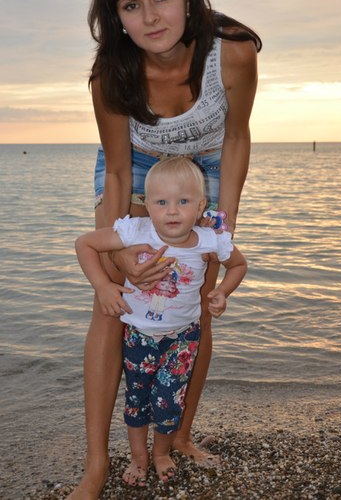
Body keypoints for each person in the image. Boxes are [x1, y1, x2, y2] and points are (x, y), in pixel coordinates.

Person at [70, 0, 261, 498]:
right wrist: (119, 261)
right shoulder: (112, 74)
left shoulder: (233, 51)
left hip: (207, 165)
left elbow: (236, 138)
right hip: (137, 166)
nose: (151, 17)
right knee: (115, 302)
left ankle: (177, 437)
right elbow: (120, 172)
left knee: (194, 304)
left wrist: (220, 230)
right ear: (116, 17)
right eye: (131, 5)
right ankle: (97, 462)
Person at [75, 157, 247, 486]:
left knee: (170, 400)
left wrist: (223, 291)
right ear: (146, 204)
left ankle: (161, 453)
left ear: (201, 206)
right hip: (139, 336)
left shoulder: (210, 239)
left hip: (183, 339)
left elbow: (239, 265)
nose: (172, 211)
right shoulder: (135, 230)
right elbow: (85, 243)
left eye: (183, 202)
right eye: (161, 202)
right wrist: (102, 286)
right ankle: (138, 457)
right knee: (137, 400)